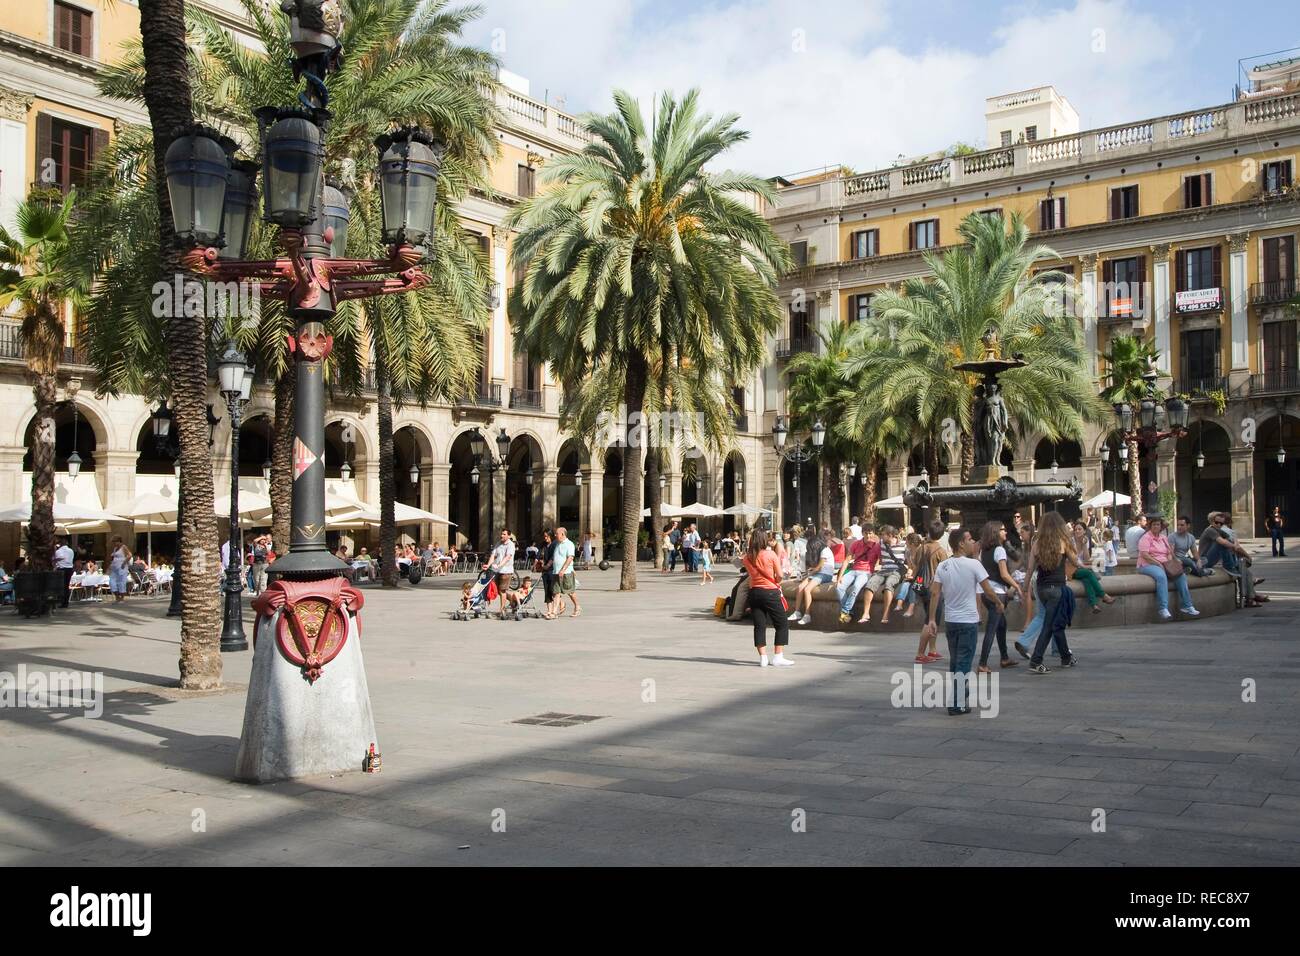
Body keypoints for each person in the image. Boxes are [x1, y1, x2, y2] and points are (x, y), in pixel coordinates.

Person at [923, 527, 1004, 715]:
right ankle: (957, 703)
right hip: (968, 622)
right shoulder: (974, 565)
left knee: (955, 662)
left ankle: (960, 693)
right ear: (960, 543)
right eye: (969, 539)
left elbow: (935, 592)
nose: (973, 541)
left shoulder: (944, 566)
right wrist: (999, 602)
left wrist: (933, 619)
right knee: (964, 662)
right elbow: (988, 590)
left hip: (951, 621)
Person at [1023, 512, 1079, 674]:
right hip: (1057, 589)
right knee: (1049, 626)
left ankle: (1066, 657)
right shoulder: (1063, 542)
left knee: (1055, 623)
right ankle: (1036, 660)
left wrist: (1025, 588)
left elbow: (1029, 569)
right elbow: (1075, 561)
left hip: (1041, 589)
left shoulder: (1037, 544)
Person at [741, 528, 793, 667]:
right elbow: (780, 575)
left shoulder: (747, 557)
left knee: (759, 625)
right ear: (764, 540)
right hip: (770, 592)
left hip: (754, 592)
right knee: (782, 623)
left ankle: (763, 658)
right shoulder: (770, 555)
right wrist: (777, 579)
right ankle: (778, 656)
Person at [977, 520, 1022, 672]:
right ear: (996, 533)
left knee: (1001, 625)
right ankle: (983, 663)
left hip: (986, 592)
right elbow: (1003, 573)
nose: (1005, 532)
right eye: (1002, 530)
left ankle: (1004, 657)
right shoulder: (1000, 550)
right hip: (998, 593)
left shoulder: (984, 550)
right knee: (992, 628)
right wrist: (1016, 585)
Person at [1137, 516, 1200, 620]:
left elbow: (1169, 553)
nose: (1156, 526)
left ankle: (1187, 605)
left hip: (1164, 563)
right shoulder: (1145, 537)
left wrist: (1170, 562)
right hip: (1147, 565)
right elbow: (1145, 555)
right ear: (1150, 526)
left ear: (1161, 526)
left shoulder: (1163, 538)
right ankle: (1163, 608)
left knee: (1181, 575)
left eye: (1158, 524)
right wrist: (1158, 563)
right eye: (1154, 525)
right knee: (1161, 577)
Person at [911, 521, 947, 664]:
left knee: (932, 619)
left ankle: (932, 650)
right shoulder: (940, 551)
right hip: (934, 589)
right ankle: (920, 653)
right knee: (930, 621)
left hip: (921, 586)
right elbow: (945, 571)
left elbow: (915, 564)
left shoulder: (922, 547)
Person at [859, 525, 905, 624]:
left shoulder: (903, 545)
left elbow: (911, 558)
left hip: (896, 571)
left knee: (889, 585)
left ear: (890, 535)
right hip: (883, 571)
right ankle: (866, 613)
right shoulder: (880, 543)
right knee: (870, 584)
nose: (880, 536)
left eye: (882, 535)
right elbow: (869, 544)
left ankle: (885, 614)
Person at [834, 525, 880, 625]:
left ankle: (845, 611)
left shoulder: (877, 546)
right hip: (853, 570)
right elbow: (846, 560)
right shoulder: (856, 544)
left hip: (866, 572)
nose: (868, 535)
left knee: (856, 587)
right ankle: (849, 612)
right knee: (839, 587)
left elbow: (882, 560)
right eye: (866, 533)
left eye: (870, 533)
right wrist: (840, 577)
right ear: (862, 533)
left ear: (873, 533)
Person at [790, 533, 837, 625]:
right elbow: (817, 568)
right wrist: (809, 573)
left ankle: (807, 615)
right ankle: (797, 612)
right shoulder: (821, 550)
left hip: (825, 574)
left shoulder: (825, 551)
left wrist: (809, 574)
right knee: (800, 587)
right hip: (818, 573)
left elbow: (819, 567)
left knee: (807, 589)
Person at [1071, 521, 1115, 613]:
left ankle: (1094, 605)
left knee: (1087, 580)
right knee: (1088, 573)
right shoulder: (1071, 541)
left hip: (1080, 568)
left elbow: (1087, 559)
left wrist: (1083, 545)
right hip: (1071, 569)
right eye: (1076, 529)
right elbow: (1072, 559)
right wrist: (1084, 566)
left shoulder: (1085, 540)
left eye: (1080, 529)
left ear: (1084, 531)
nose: (1077, 531)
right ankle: (1104, 595)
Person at [482, 528, 516, 618]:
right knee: (497, 590)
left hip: (506, 571)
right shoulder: (498, 544)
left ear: (509, 536)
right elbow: (493, 555)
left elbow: (508, 557)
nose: (502, 536)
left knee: (502, 590)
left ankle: (502, 609)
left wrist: (499, 565)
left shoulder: (511, 545)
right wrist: (488, 565)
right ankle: (513, 601)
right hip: (496, 570)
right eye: (502, 534)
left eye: (504, 534)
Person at [893, 532, 923, 619]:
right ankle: (899, 603)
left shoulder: (921, 551)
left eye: (906, 542)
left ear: (912, 543)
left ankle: (911, 607)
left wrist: (913, 576)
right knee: (905, 582)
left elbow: (920, 567)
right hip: (913, 574)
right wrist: (909, 573)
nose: (905, 543)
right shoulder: (908, 553)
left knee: (915, 586)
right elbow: (910, 566)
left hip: (921, 576)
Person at [553, 526, 581, 618]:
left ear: (562, 534)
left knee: (570, 592)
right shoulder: (557, 544)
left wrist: (563, 569)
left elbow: (570, 558)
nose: (555, 535)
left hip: (566, 572)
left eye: (557, 533)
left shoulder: (569, 544)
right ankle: (554, 612)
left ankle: (577, 607)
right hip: (556, 572)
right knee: (556, 592)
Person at [107, 536, 131, 603]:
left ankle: (121, 598)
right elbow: (113, 558)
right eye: (113, 542)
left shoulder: (124, 547)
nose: (114, 543)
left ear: (119, 541)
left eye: (115, 542)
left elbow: (129, 555)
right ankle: (117, 597)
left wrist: (124, 563)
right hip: (114, 567)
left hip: (122, 567)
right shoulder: (115, 548)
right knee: (112, 582)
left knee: (121, 582)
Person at [54, 536, 76, 608]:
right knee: (66, 586)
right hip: (69, 569)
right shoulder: (71, 550)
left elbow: (58, 558)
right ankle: (65, 602)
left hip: (61, 569)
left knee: (61, 586)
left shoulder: (58, 551)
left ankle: (61, 602)